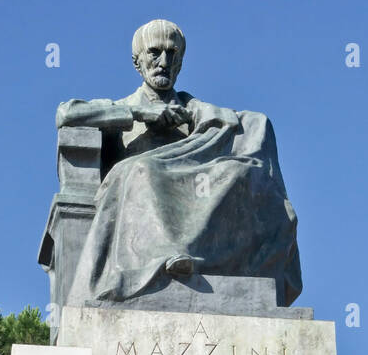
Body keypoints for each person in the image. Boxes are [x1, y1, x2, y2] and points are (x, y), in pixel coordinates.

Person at [50, 20, 301, 306]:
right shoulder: (122, 107)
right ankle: (166, 257)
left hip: (195, 186)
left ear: (180, 63)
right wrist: (139, 113)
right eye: (154, 53)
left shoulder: (194, 110)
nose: (163, 62)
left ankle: (210, 262)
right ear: (138, 62)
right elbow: (66, 113)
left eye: (172, 54)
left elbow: (250, 124)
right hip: (140, 183)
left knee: (241, 172)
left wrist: (194, 120)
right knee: (141, 170)